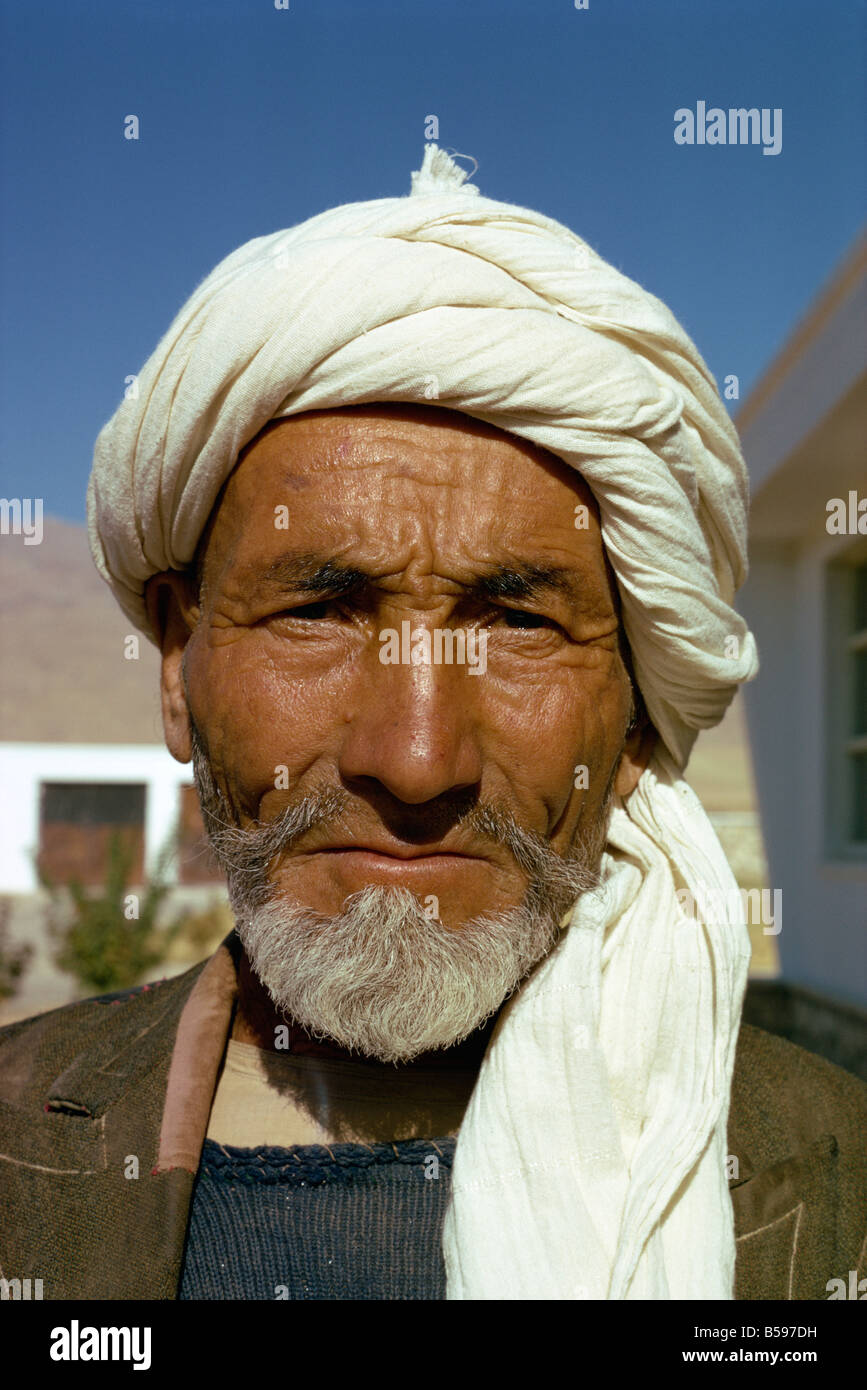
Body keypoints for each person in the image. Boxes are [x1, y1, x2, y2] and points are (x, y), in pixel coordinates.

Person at [1, 147, 864, 1301]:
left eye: (515, 624)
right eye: (319, 609)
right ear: (178, 662)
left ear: (638, 724)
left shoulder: (837, 1178)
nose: (414, 761)